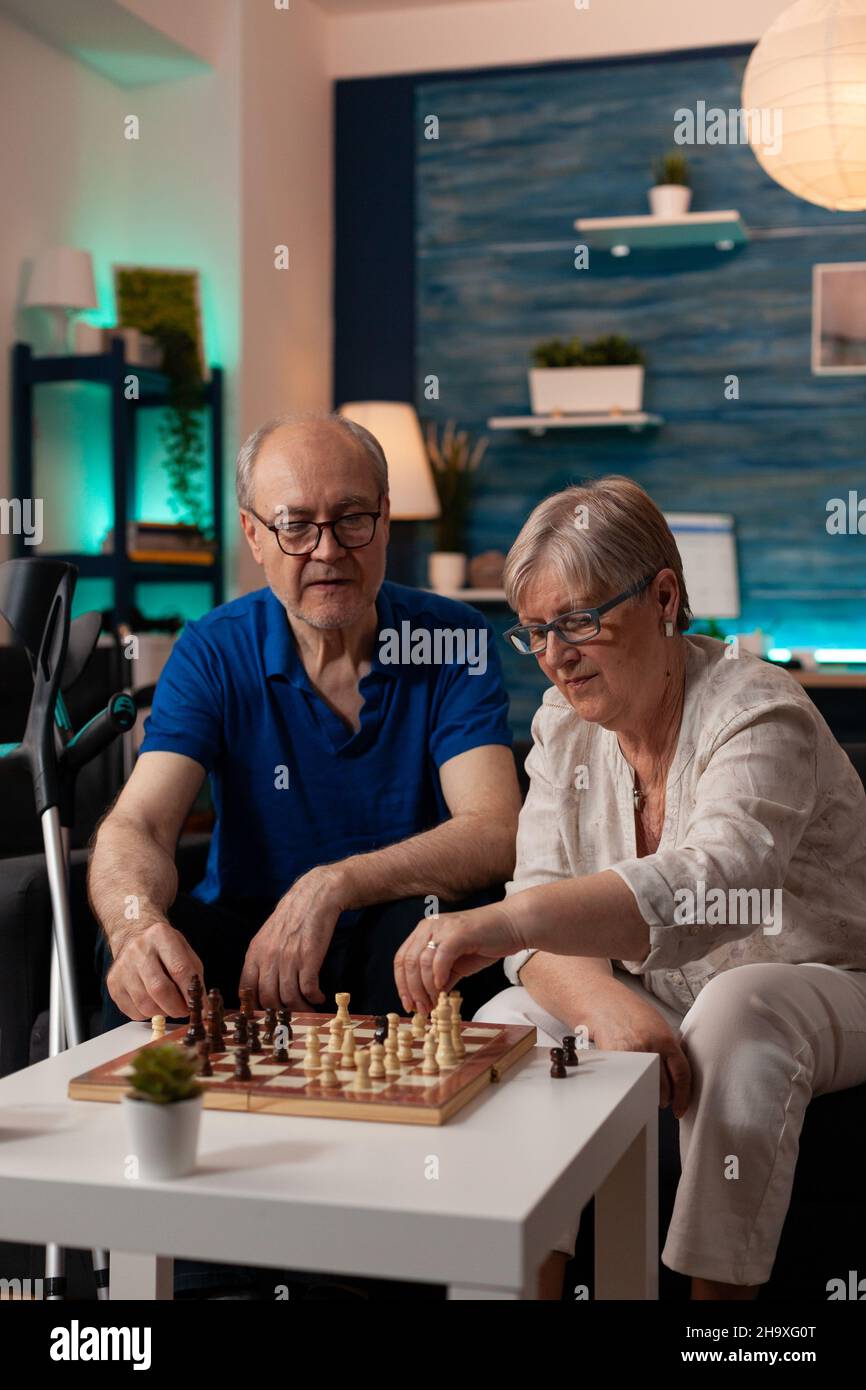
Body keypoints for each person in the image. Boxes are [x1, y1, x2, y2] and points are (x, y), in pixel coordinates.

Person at [394, 475, 866, 1302]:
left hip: (832, 982)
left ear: (664, 596)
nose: (555, 656)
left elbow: (718, 881)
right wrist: (602, 1005)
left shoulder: (759, 712)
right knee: (509, 1022)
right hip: (663, 988)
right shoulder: (562, 726)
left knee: (740, 1008)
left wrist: (503, 923)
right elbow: (540, 924)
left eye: (578, 620)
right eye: (535, 632)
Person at [89, 413, 520, 1032]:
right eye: (295, 525)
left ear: (385, 518)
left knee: (446, 931)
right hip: (247, 945)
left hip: (397, 942)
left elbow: (494, 830)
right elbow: (139, 824)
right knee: (139, 951)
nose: (327, 550)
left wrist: (333, 883)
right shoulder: (212, 649)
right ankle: (156, 1125)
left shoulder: (451, 639)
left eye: (352, 519)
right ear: (254, 535)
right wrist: (137, 924)